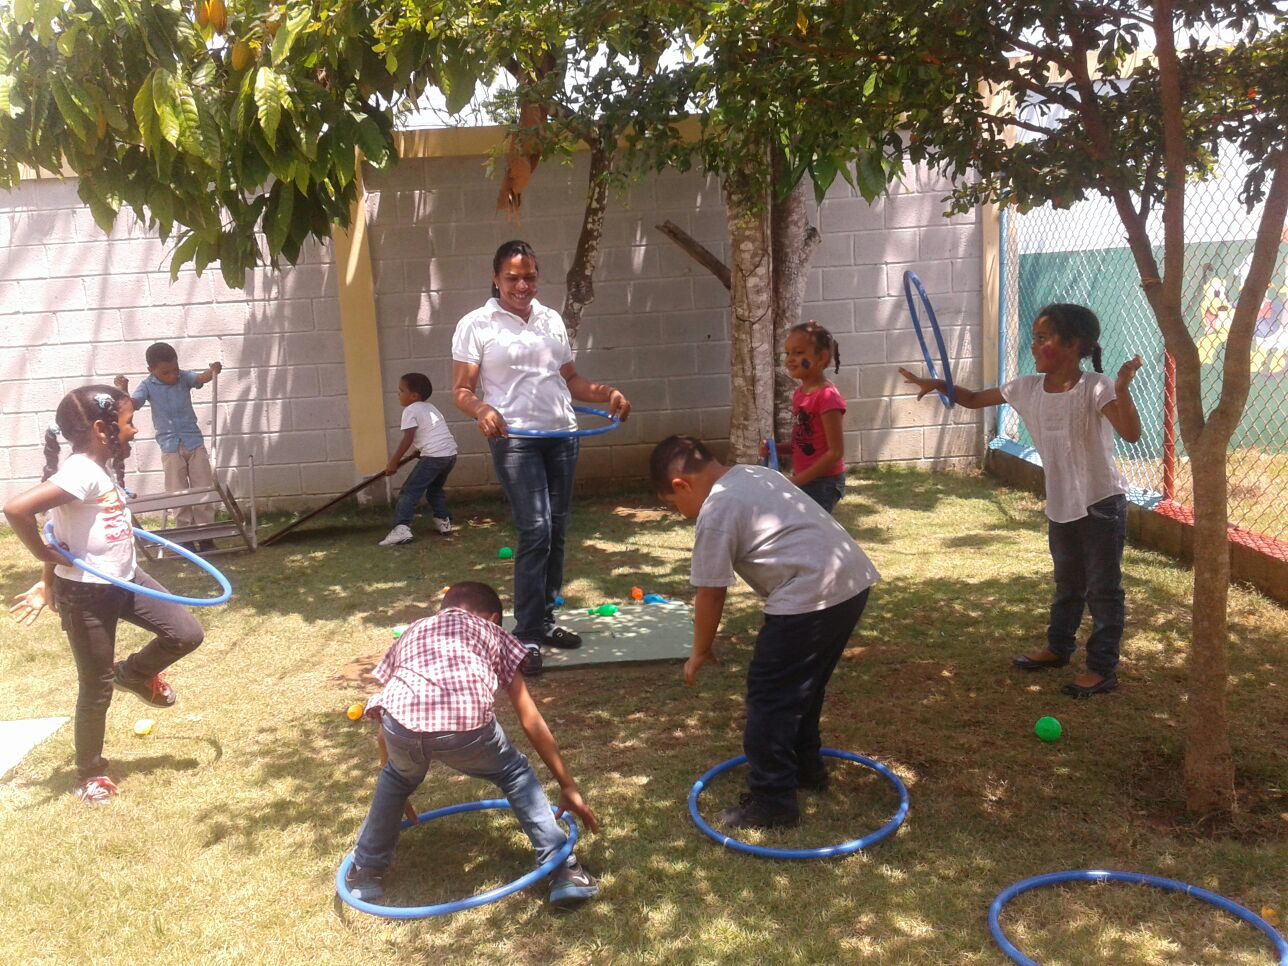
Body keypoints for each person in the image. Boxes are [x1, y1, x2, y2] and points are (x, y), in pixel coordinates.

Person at [899, 302, 1142, 698]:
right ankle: (1058, 648)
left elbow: (1131, 433)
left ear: (1072, 344)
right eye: (1034, 338)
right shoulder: (1027, 388)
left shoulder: (1095, 386)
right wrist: (939, 384)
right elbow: (976, 398)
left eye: (1043, 339)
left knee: (1103, 588)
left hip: (1101, 503)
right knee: (1068, 583)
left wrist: (1121, 391)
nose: (1033, 346)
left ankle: (1101, 668)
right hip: (1062, 503)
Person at [649, 435, 881, 830]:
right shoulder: (753, 474)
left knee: (770, 696)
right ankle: (806, 769)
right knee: (803, 688)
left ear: (680, 486)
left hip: (809, 595)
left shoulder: (716, 509)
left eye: (675, 507)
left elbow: (710, 592)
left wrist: (700, 650)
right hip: (851, 583)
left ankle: (773, 802)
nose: (683, 515)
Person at [3, 386, 204, 806]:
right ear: (101, 428)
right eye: (128, 422)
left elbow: (63, 529)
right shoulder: (82, 472)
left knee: (185, 633)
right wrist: (46, 559)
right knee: (96, 687)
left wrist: (47, 574)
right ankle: (90, 772)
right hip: (87, 595)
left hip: (126, 578)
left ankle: (134, 673)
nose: (133, 430)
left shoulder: (96, 467)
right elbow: (18, 509)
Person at [344, 581, 601, 908]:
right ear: (494, 617)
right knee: (515, 774)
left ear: (442, 610)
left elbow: (393, 705)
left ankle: (365, 872)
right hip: (464, 726)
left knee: (395, 778)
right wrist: (567, 784)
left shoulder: (415, 629)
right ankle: (563, 871)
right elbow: (529, 718)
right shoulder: (492, 632)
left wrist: (394, 780)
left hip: (398, 725)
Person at [451, 240, 631, 675]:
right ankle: (527, 634)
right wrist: (481, 410)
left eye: (529, 276)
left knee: (558, 528)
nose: (521, 285)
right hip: (516, 439)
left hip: (562, 436)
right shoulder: (476, 324)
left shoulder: (551, 319)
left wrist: (606, 394)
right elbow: (461, 391)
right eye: (512, 277)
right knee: (535, 528)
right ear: (495, 278)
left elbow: (568, 379)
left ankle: (545, 620)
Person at [114, 342, 222, 552]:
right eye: (165, 372)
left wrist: (212, 371)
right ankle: (186, 536)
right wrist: (123, 389)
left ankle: (207, 534)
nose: (172, 375)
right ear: (151, 370)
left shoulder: (183, 378)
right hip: (170, 446)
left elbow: (200, 379)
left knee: (202, 487)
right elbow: (133, 405)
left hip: (193, 441)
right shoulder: (147, 386)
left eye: (175, 369)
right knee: (177, 491)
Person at [761, 320, 848, 513]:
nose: (789, 359)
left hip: (823, 483)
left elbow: (835, 452)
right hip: (805, 479)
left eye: (798, 353)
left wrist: (797, 481)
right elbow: (803, 443)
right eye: (788, 353)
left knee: (812, 535)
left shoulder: (827, 397)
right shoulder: (800, 394)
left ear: (822, 358)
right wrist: (776, 448)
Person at [378, 372, 459, 546]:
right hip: (450, 454)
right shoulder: (430, 407)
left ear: (414, 396)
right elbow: (431, 433)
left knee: (410, 491)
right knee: (434, 490)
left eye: (401, 390)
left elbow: (408, 437)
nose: (397, 394)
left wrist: (393, 461)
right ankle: (443, 521)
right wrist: (419, 451)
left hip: (434, 456)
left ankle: (401, 528)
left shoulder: (410, 410)